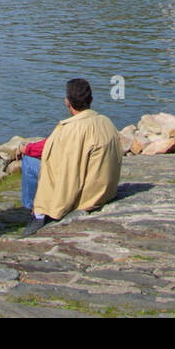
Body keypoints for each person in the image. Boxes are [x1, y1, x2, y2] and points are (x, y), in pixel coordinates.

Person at [15, 78, 123, 236]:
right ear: (91, 100)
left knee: (30, 162)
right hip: (104, 190)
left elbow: (46, 148)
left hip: (84, 195)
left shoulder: (68, 128)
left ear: (67, 102)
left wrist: (24, 148)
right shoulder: (106, 122)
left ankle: (37, 213)